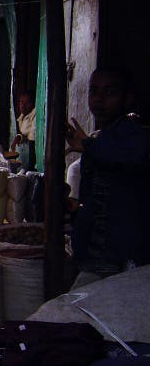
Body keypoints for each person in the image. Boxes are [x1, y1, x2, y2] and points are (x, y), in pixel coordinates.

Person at [66, 68, 150, 288]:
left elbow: (131, 155)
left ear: (127, 99)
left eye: (109, 92)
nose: (99, 99)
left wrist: (88, 146)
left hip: (120, 257)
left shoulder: (133, 134)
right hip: (97, 253)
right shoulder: (104, 137)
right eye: (93, 91)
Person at [11, 91, 36, 170]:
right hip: (24, 154)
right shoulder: (22, 116)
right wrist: (19, 136)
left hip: (32, 155)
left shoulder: (35, 115)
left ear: (33, 103)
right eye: (21, 102)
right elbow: (23, 134)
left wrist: (21, 137)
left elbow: (32, 138)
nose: (23, 105)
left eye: (27, 102)